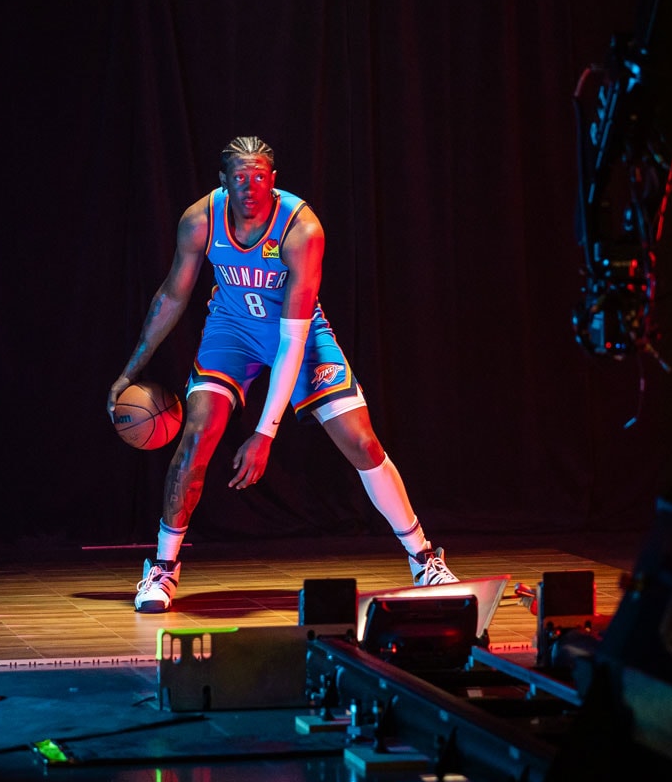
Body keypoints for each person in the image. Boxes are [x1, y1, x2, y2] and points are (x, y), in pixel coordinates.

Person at [107, 136, 458, 611]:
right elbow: (172, 295)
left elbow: (292, 341)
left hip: (295, 332)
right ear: (224, 182)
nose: (250, 187)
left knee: (362, 442)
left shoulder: (301, 230)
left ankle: (423, 558)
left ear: (274, 180)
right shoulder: (200, 220)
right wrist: (131, 370)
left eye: (259, 178)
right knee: (196, 435)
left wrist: (264, 434)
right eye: (240, 178)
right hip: (231, 331)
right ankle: (162, 569)